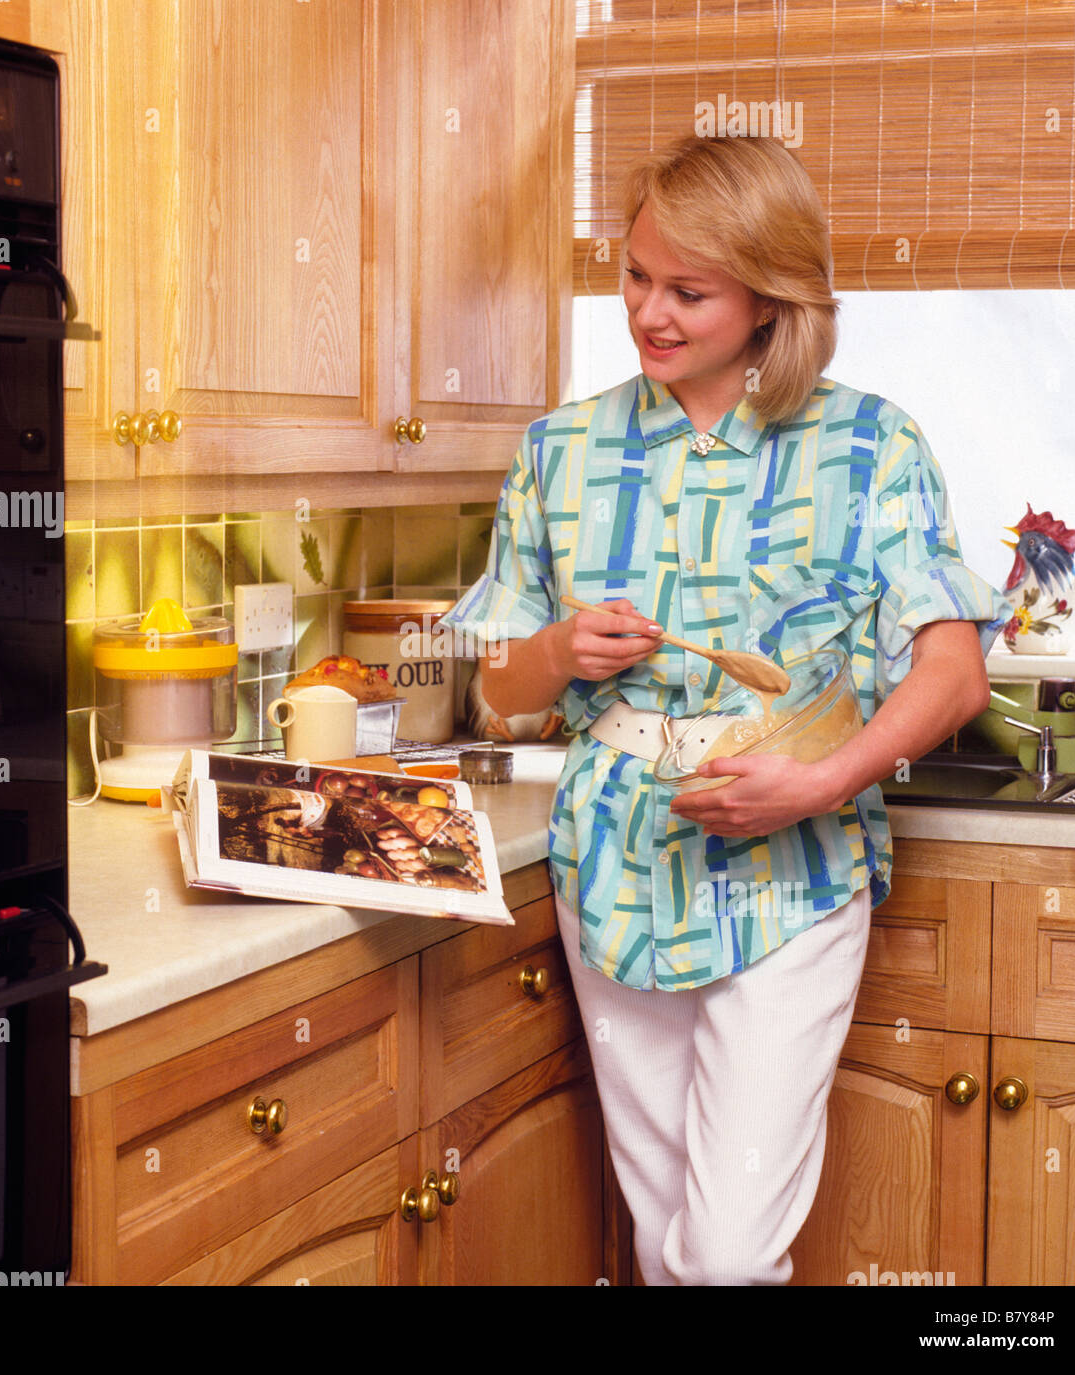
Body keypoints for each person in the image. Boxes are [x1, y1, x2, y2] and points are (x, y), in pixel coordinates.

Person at [439, 135, 1007, 1286]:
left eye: (687, 291)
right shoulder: (560, 450)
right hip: (613, 859)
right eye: (636, 275)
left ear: (769, 301)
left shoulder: (867, 446)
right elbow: (497, 695)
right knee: (665, 1249)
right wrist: (553, 648)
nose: (649, 311)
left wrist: (823, 780)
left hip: (790, 869)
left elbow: (953, 674)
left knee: (727, 1253)